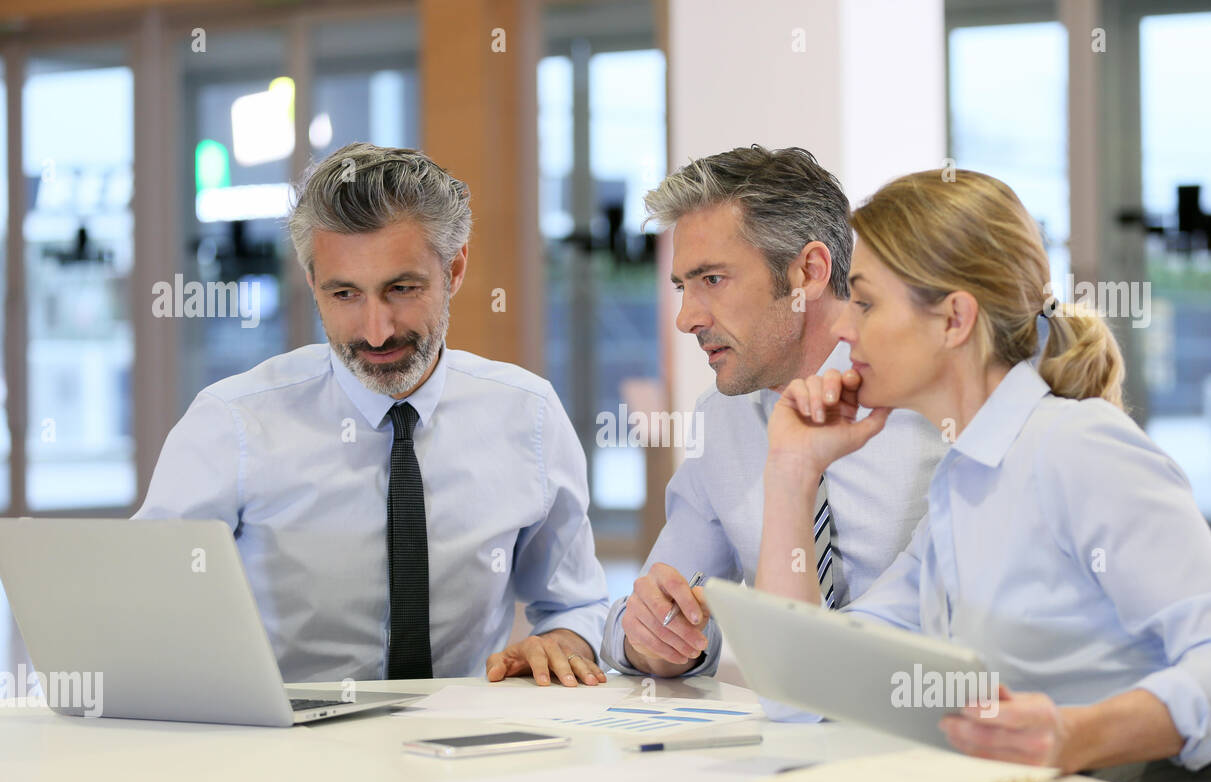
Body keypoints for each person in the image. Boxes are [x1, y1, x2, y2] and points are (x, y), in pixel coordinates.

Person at [754, 167, 1211, 782]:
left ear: (954, 318)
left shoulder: (1077, 447)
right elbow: (804, 686)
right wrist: (792, 471)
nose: (843, 330)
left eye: (865, 303)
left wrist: (1073, 735)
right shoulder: (963, 480)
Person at [136, 142, 609, 688]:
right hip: (281, 752)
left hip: (462, 746)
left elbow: (575, 602)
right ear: (312, 284)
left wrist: (560, 642)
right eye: (344, 294)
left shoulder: (529, 416)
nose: (376, 330)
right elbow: (148, 608)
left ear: (454, 269)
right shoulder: (233, 424)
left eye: (402, 289)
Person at [599, 146, 945, 682]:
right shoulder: (725, 420)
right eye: (681, 288)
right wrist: (658, 639)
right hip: (800, 731)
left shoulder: (932, 401)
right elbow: (649, 612)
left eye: (711, 280)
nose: (687, 318)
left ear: (808, 272)